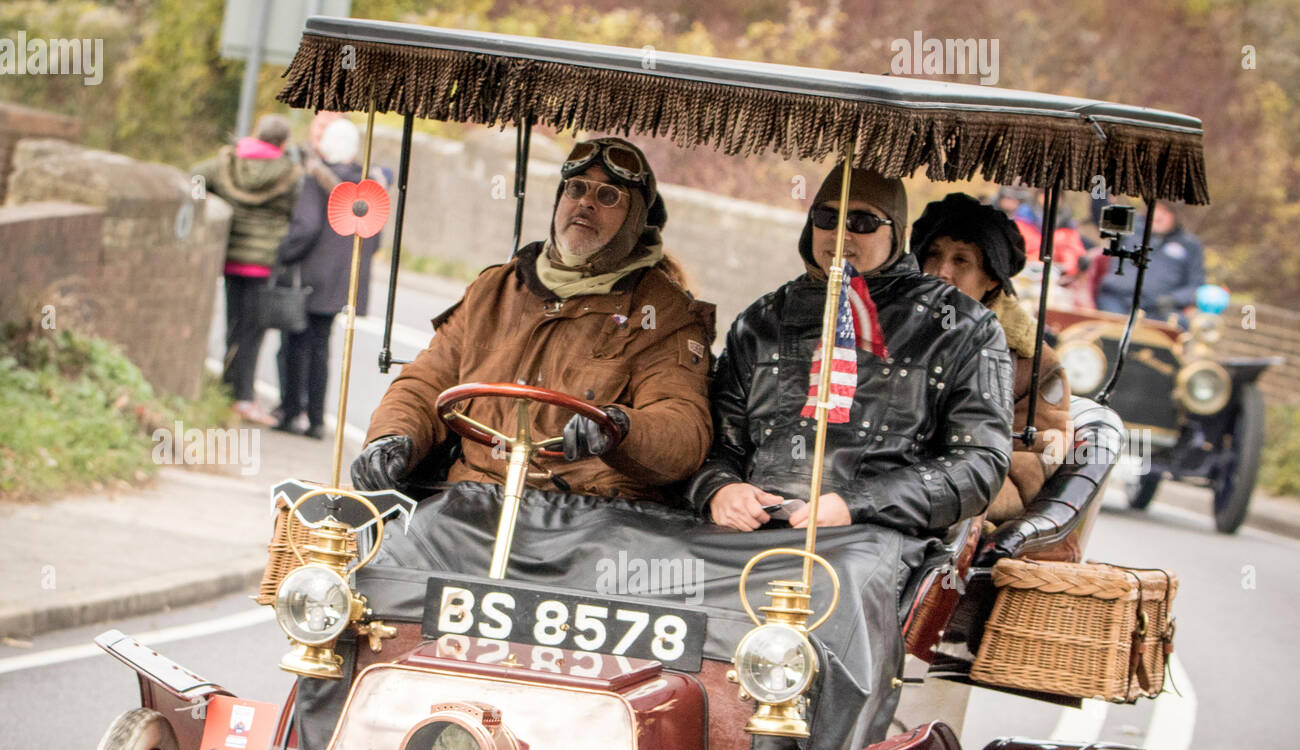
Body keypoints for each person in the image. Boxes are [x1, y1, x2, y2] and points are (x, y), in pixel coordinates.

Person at [350, 137, 714, 501]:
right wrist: (393, 436)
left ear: (635, 218)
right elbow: (427, 381)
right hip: (472, 500)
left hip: (592, 513)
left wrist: (619, 428)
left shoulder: (664, 315)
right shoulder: (495, 290)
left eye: (608, 196)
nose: (586, 203)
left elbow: (683, 428)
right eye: (576, 188)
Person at [687, 164, 1013, 538]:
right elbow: (709, 441)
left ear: (897, 233)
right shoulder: (761, 322)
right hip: (748, 531)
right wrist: (719, 488)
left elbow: (979, 462)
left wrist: (859, 504)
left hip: (879, 539)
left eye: (862, 222)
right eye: (827, 217)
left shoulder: (963, 326)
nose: (841, 234)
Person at [911, 192, 1072, 522]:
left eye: (961, 261)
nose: (941, 271)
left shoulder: (1034, 364)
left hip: (970, 515)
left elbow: (1035, 462)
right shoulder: (882, 332)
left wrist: (948, 487)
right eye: (933, 255)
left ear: (992, 278)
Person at [272, 117, 387, 438]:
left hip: (309, 276)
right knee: (321, 348)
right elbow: (374, 238)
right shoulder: (369, 187)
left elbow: (305, 228)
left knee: (296, 345)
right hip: (341, 281)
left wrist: (281, 253)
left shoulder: (314, 179)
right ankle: (318, 420)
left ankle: (291, 411)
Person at [191, 115, 301, 425]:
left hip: (229, 258)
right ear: (282, 143)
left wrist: (208, 206)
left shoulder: (225, 163)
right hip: (262, 264)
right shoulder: (290, 174)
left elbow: (192, 178)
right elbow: (295, 214)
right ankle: (242, 398)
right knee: (252, 333)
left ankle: (227, 391)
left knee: (232, 326)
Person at [1095, 200, 1205, 323]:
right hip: (1115, 299)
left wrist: (1173, 299)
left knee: (1181, 325)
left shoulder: (1190, 245)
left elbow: (1196, 286)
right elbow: (1099, 213)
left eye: (1165, 211)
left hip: (1158, 309)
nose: (1158, 217)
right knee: (1114, 328)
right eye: (1155, 210)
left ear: (1177, 215)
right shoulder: (1128, 227)